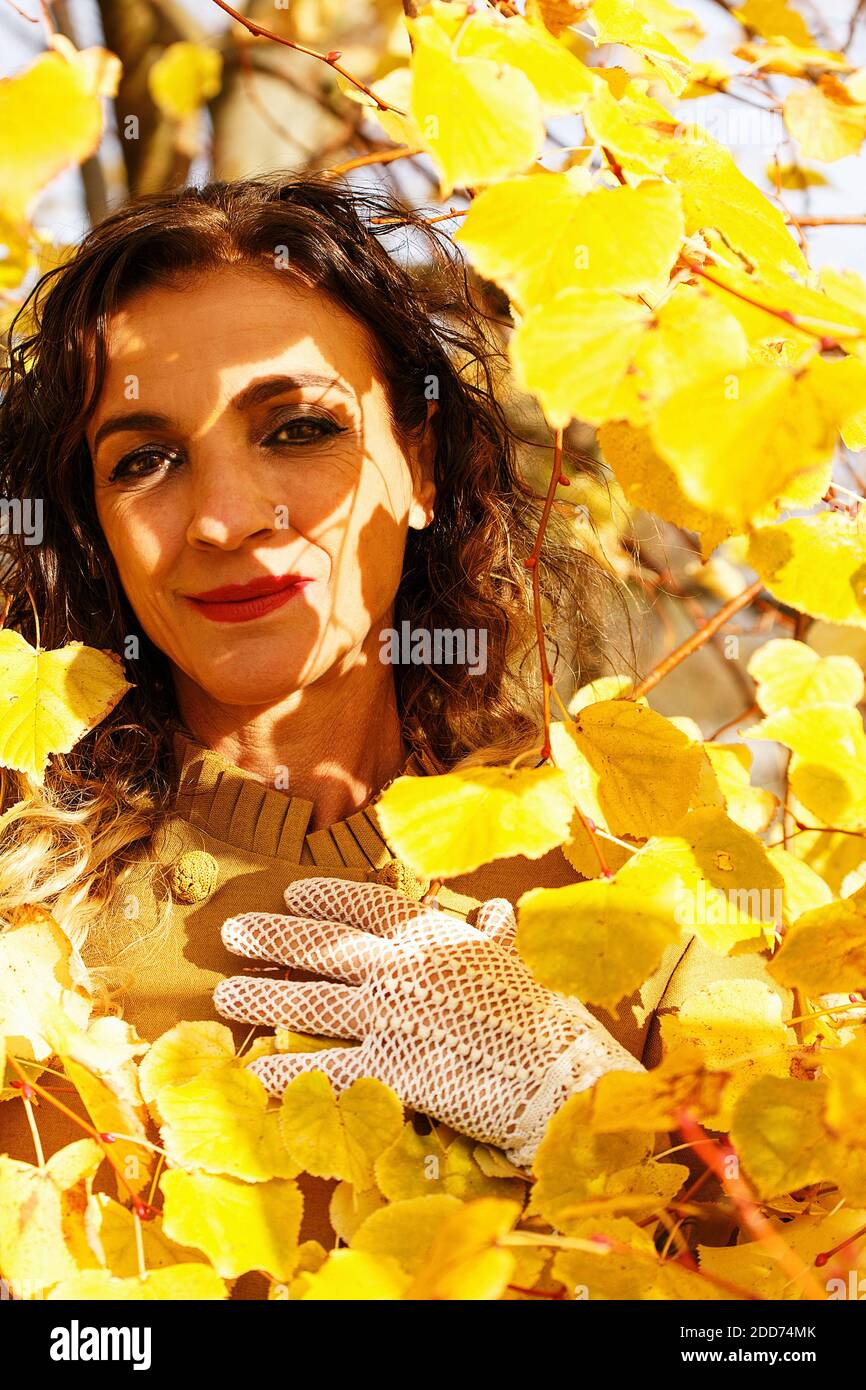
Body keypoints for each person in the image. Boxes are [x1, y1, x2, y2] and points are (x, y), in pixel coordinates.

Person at [0, 174, 791, 1288]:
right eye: (146, 458)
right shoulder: (25, 924)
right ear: (98, 527)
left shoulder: (638, 874)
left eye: (297, 428)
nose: (225, 517)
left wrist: (589, 1105)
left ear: (416, 465)